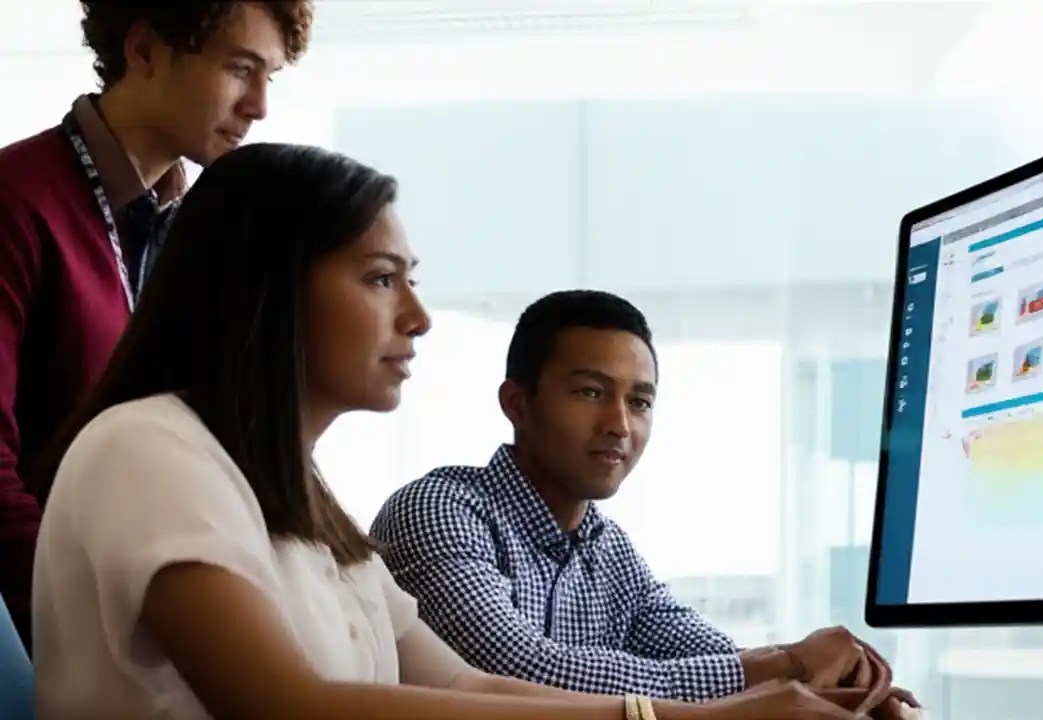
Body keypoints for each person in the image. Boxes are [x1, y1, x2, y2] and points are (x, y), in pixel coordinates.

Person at [31, 142, 885, 720]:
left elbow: (465, 683)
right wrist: (698, 717)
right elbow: (289, 707)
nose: (418, 318)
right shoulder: (148, 448)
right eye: (379, 279)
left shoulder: (301, 501)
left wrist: (760, 686)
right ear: (266, 288)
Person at [370, 290, 920, 719]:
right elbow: (514, 668)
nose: (619, 425)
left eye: (640, 401)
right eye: (589, 392)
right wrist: (788, 666)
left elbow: (705, 653)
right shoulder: (438, 508)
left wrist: (847, 687)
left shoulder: (609, 550)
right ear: (517, 403)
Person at [0, 1, 313, 651]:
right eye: (238, 68)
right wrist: (92, 621)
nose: (259, 105)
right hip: (67, 634)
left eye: (269, 77)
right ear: (144, 50)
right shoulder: (15, 202)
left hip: (160, 607)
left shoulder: (200, 232)